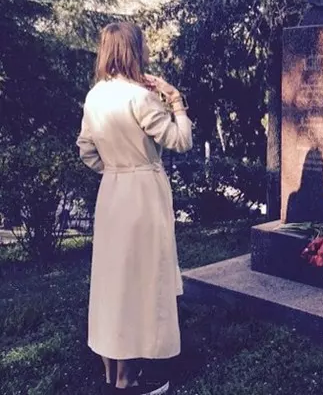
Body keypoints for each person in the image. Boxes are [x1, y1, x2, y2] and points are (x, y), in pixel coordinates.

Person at [76, 22, 193, 394]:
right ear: (133, 50)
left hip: (112, 194)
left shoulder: (95, 96)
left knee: (113, 280)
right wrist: (175, 100)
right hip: (142, 192)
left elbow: (85, 149)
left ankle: (112, 373)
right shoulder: (140, 98)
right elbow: (180, 140)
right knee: (137, 282)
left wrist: (114, 168)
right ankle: (128, 379)